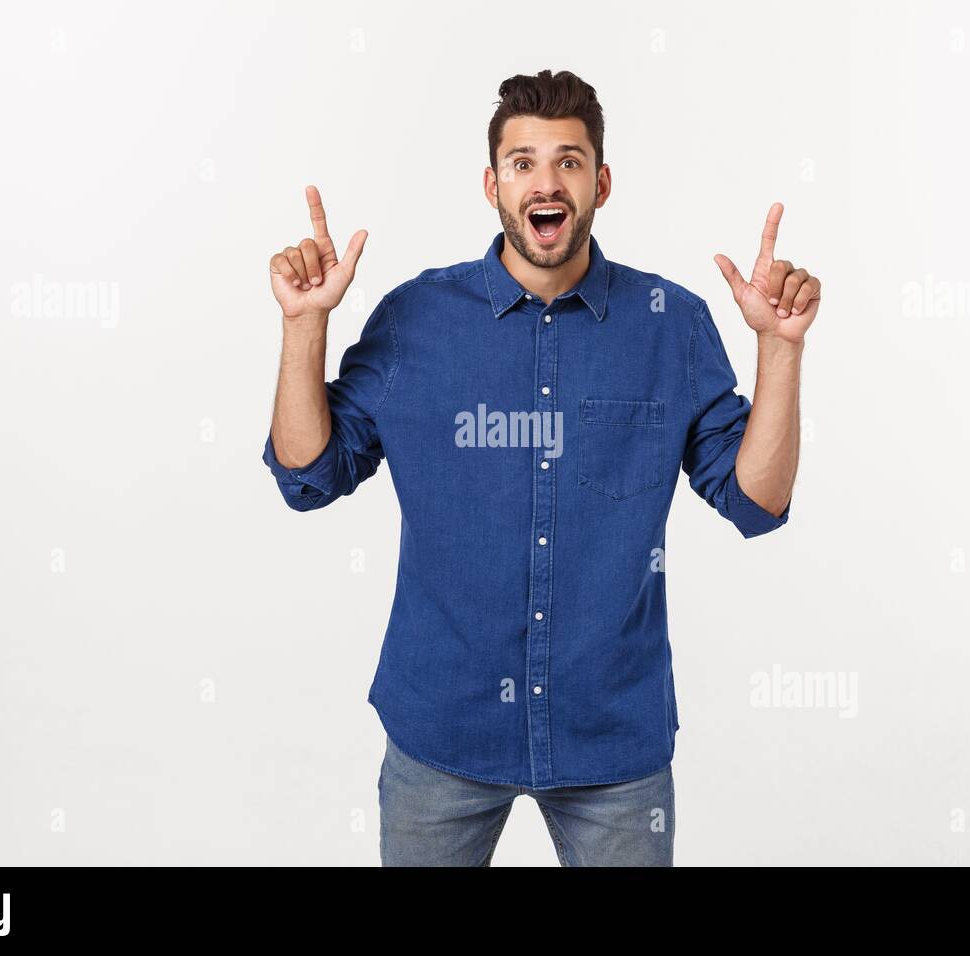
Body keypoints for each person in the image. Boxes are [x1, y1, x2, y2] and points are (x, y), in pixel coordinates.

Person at [262, 69, 821, 866]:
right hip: (441, 731)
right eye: (522, 162)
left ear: (601, 181)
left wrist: (780, 350)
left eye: (569, 160)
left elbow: (756, 503)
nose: (545, 181)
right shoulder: (416, 320)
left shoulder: (671, 325)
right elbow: (307, 477)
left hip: (611, 742)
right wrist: (302, 328)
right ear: (493, 183)